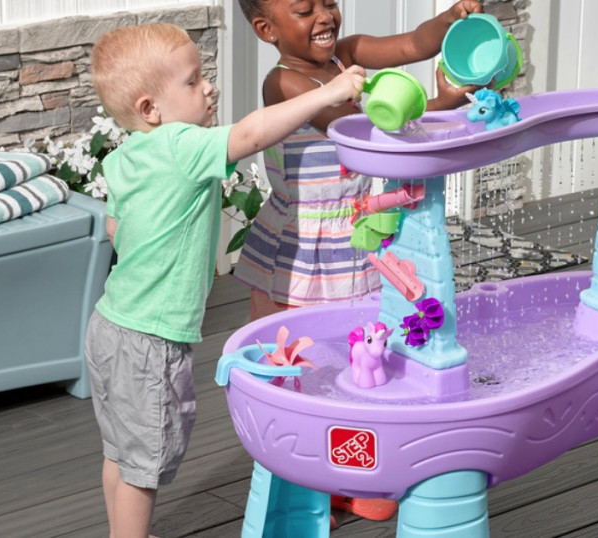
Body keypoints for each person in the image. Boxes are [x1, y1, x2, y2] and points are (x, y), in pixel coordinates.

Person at [86, 23, 364, 538]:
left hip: (109, 325)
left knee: (121, 451)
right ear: (151, 108)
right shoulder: (180, 144)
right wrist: (328, 93)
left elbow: (114, 228)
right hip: (150, 339)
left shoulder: (125, 156)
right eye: (193, 81)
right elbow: (253, 134)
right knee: (145, 465)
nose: (209, 87)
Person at [231, 0, 484, 524]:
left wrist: (452, 20)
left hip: (354, 235)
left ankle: (352, 474)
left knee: (362, 352)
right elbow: (356, 128)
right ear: (266, 29)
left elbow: (412, 44)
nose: (324, 15)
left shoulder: (346, 55)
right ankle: (304, 476)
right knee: (297, 364)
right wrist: (441, 103)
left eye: (329, 2)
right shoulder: (284, 84)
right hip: (300, 250)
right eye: (304, 10)